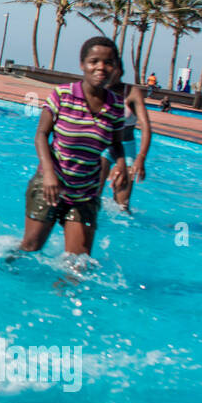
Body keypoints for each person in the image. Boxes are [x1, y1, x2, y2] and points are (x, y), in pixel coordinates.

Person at [19, 36, 126, 256]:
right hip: (50, 184)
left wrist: (122, 164)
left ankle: (64, 292)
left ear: (115, 67)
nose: (101, 67)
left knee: (79, 264)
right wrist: (49, 174)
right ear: (82, 64)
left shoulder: (116, 105)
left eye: (108, 62)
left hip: (86, 192)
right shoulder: (62, 95)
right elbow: (41, 135)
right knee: (30, 248)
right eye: (94, 61)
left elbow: (116, 144)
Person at [99, 59, 151, 209]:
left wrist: (140, 158)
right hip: (105, 148)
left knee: (123, 205)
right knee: (91, 198)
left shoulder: (132, 93)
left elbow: (146, 127)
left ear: (120, 72)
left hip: (127, 148)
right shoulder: (99, 91)